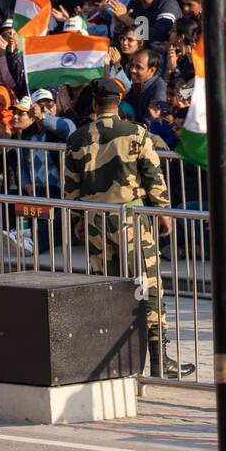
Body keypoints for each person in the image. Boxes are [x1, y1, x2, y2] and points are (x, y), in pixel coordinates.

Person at [64, 78, 194, 378]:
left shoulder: (78, 138)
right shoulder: (137, 133)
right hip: (132, 219)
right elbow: (153, 176)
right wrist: (163, 213)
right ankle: (160, 359)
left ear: (94, 103)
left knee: (106, 288)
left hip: (96, 220)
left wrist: (78, 221)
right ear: (119, 100)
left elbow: (70, 189)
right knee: (147, 287)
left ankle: (112, 362)